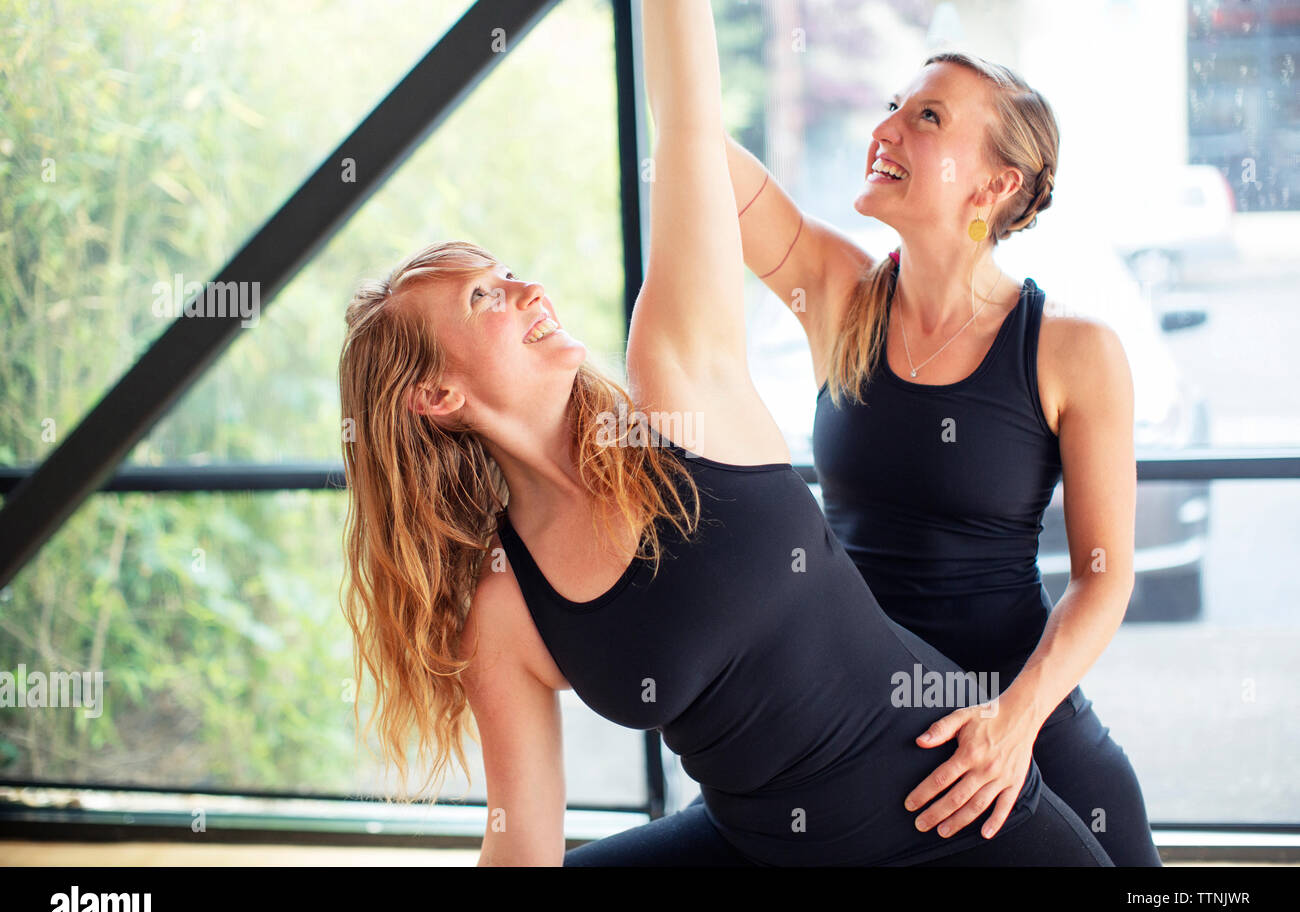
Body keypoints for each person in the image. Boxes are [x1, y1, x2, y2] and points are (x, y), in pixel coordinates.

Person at [336, 0, 1111, 867]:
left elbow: (691, 127)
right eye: (484, 298)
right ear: (434, 397)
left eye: (510, 274)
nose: (527, 292)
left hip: (959, 826)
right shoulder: (504, 603)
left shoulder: (679, 388)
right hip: (759, 847)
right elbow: (522, 840)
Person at [720, 52, 1160, 866]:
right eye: (894, 105)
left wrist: (1014, 723)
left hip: (1025, 735)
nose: (884, 129)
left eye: (928, 117)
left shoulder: (1074, 350)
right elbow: (699, 157)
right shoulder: (841, 296)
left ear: (994, 185)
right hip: (852, 734)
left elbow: (1105, 575)